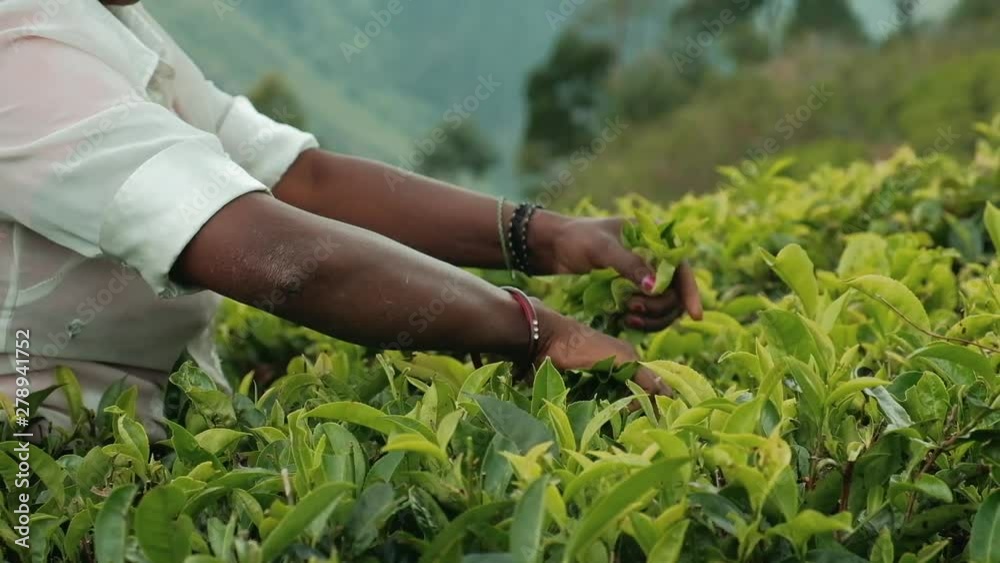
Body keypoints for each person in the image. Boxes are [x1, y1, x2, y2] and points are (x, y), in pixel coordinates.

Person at [0, 0, 702, 432]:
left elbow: (300, 178)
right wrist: (538, 334)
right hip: (46, 480)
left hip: (159, 440)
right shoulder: (18, 45)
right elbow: (282, 256)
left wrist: (549, 236)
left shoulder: (105, 16)